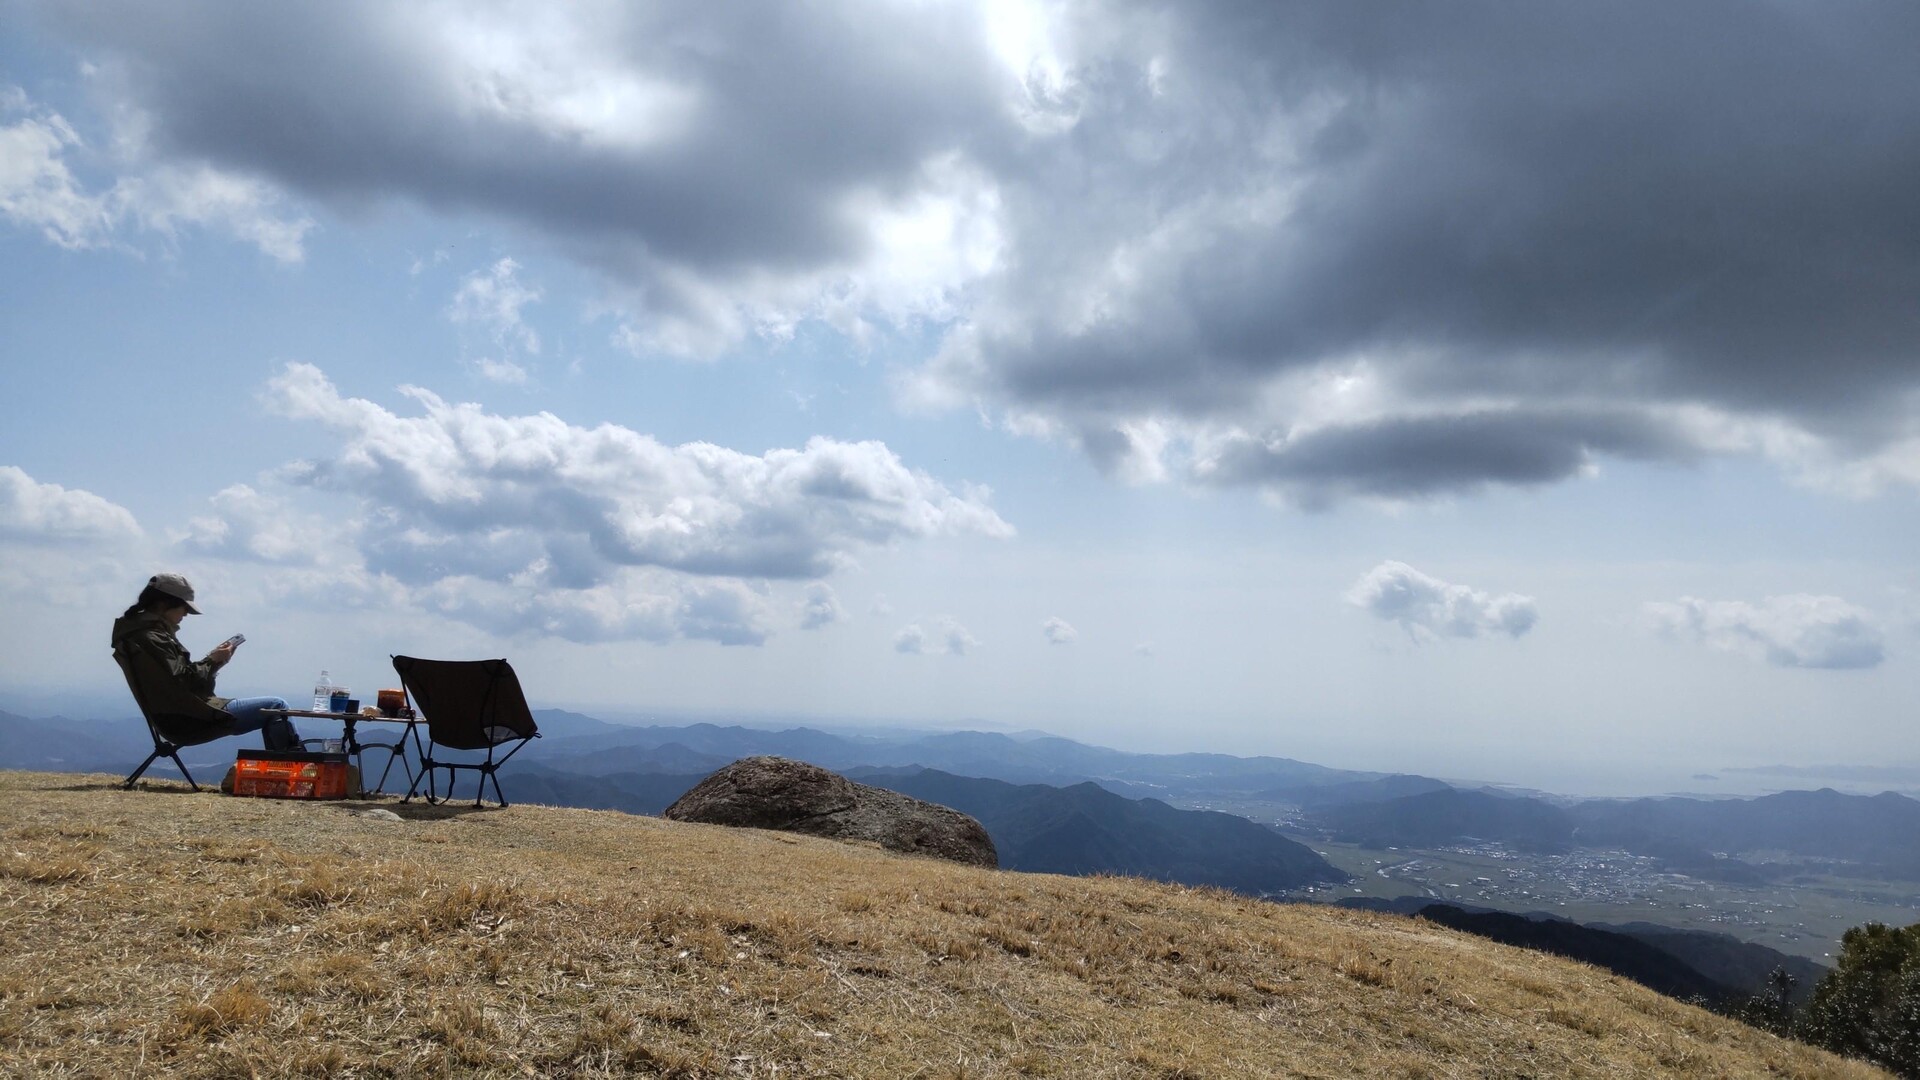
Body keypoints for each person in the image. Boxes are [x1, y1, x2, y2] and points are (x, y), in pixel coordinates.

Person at [110, 573, 302, 751]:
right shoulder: (154, 638)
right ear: (164, 604)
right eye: (184, 608)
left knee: (274, 707)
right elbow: (186, 681)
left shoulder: (135, 636)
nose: (185, 615)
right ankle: (294, 769)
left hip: (172, 717)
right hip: (191, 718)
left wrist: (215, 661)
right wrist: (213, 660)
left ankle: (282, 769)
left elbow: (179, 679)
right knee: (277, 706)